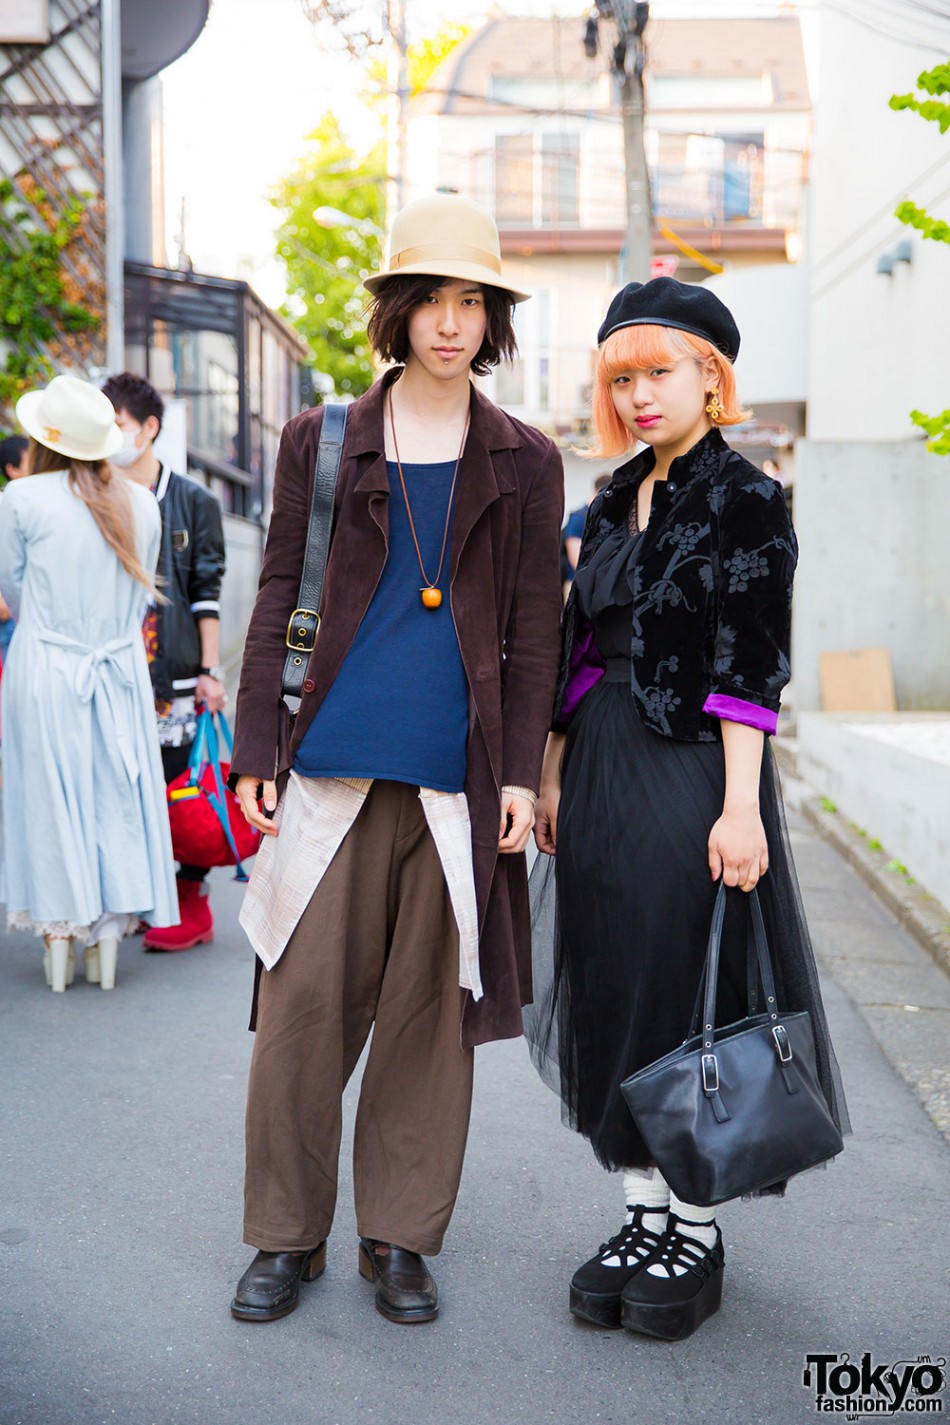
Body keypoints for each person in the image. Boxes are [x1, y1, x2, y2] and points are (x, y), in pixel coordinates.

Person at [227, 193, 564, 1327]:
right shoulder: (320, 442)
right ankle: (284, 1237)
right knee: (300, 1016)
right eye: (430, 297)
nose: (451, 321)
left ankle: (397, 1239)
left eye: (472, 300)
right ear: (395, 310)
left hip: (453, 786)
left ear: (492, 318)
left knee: (429, 1024)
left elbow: (533, 632)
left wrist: (519, 773)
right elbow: (279, 590)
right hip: (327, 767)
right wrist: (256, 745)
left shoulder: (523, 461)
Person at [525, 278, 849, 1342]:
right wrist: (558, 776)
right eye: (619, 378)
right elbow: (576, 656)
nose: (636, 394)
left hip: (693, 770)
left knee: (685, 984)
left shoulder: (745, 497)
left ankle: (695, 1225)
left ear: (711, 375)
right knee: (611, 979)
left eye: (655, 372)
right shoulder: (611, 497)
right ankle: (638, 1211)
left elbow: (749, 666)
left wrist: (740, 808)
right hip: (603, 770)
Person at [0, 374, 178, 991]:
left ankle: (58, 937)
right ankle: (106, 937)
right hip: (118, 666)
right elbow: (140, 599)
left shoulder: (20, 500)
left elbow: (14, 591)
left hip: (46, 660)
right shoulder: (143, 502)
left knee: (48, 796)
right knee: (113, 794)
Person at [101, 373, 227, 952]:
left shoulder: (192, 500)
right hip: (110, 668)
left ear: (149, 429)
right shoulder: (96, 493)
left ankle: (189, 900)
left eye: (118, 425)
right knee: (121, 783)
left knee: (178, 785)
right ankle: (130, 898)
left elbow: (206, 588)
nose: (112, 437)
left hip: (171, 672)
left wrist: (210, 670)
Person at [0, 434, 30, 658]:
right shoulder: (5, 503)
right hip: (9, 615)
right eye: (31, 460)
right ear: (12, 469)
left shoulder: (34, 505)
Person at [561, 472, 610, 593]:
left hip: (599, 585)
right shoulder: (579, 518)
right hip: (577, 584)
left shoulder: (606, 517)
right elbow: (576, 559)